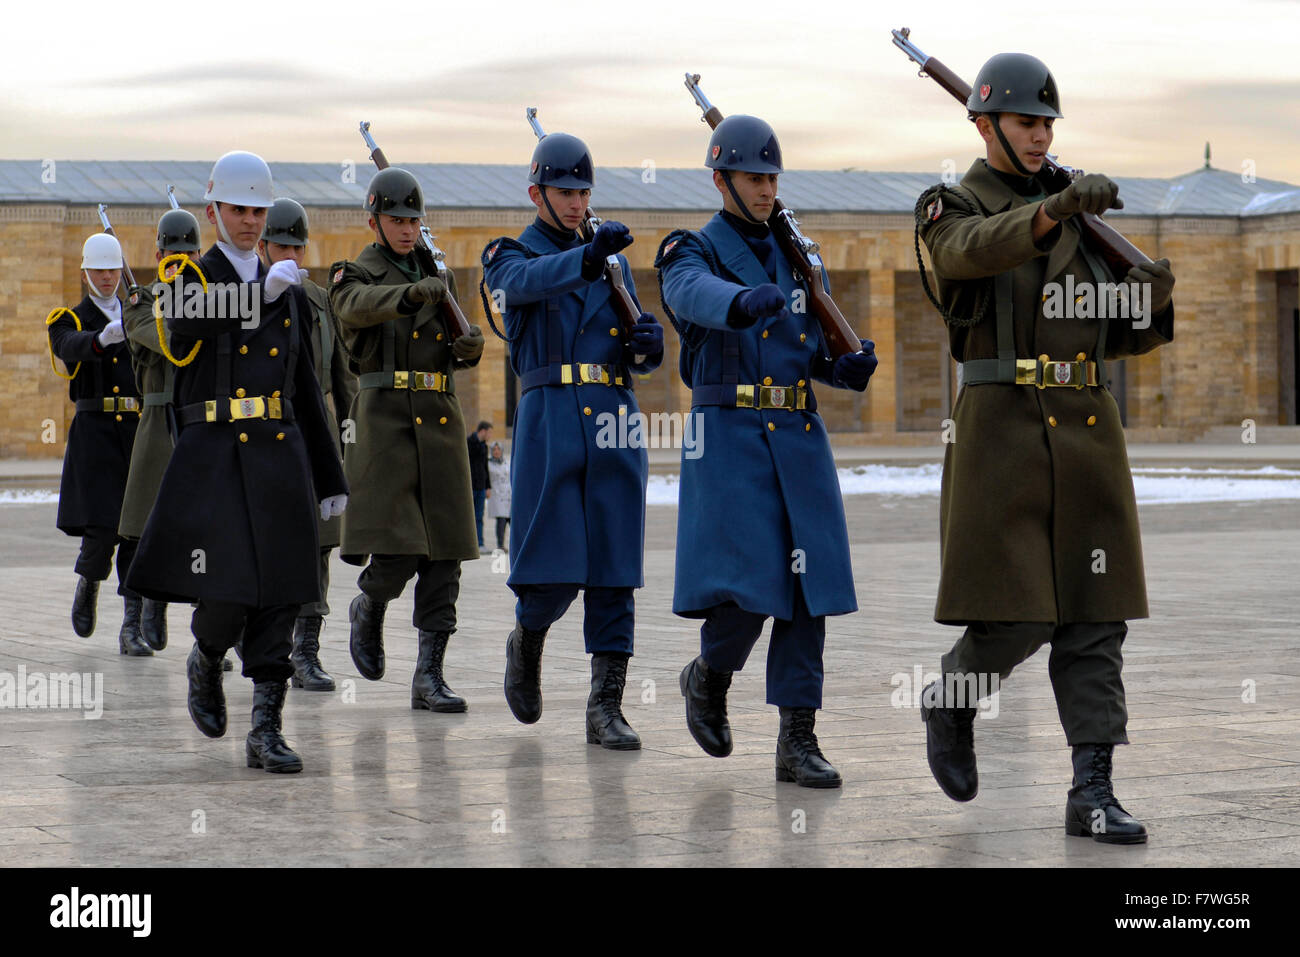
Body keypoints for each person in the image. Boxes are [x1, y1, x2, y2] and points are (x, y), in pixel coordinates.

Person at [914, 53, 1176, 843]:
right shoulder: (949, 204)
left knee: (1096, 616)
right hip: (1003, 432)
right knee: (1015, 611)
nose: (1040, 135)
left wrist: (1148, 291)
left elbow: (1122, 332)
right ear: (986, 122)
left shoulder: (1082, 222)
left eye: (1048, 123)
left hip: (1087, 427)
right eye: (1027, 121)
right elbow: (969, 252)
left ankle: (1092, 789)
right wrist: (1055, 210)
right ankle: (951, 697)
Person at [655, 114, 877, 786]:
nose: (765, 188)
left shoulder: (799, 255)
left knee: (809, 593)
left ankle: (797, 739)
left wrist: (845, 367)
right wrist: (739, 301)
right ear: (720, 178)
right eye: (754, 177)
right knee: (749, 586)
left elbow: (810, 348)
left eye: (773, 177)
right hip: (732, 437)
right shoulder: (692, 247)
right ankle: (709, 673)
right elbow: (688, 293)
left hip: (798, 435)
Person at [127, 150, 349, 774]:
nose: (251, 221)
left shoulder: (292, 293)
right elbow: (181, 332)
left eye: (257, 210)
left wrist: (330, 476)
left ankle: (266, 729)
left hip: (279, 452)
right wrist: (258, 297)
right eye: (238, 210)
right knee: (226, 589)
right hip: (216, 454)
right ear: (213, 211)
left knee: (281, 592)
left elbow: (307, 388)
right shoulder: (189, 278)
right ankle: (205, 656)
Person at [481, 127, 664, 749]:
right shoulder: (509, 253)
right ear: (537, 193)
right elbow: (520, 289)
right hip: (552, 416)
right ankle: (527, 638)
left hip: (613, 415)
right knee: (552, 567)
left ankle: (605, 706)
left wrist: (646, 348)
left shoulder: (610, 260)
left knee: (615, 567)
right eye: (563, 191)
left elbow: (633, 333)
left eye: (583, 191)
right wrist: (586, 259)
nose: (576, 203)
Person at [329, 167, 485, 714]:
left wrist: (469, 346)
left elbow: (454, 339)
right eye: (397, 219)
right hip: (386, 418)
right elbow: (353, 309)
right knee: (400, 544)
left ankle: (429, 676)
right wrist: (409, 293)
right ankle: (369, 604)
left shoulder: (435, 271)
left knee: (446, 552)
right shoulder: (356, 272)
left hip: (439, 417)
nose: (406, 229)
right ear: (374, 221)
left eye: (414, 220)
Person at [258, 197, 358, 692]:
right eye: (282, 246)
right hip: (260, 432)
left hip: (311, 435)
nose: (291, 256)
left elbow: (342, 378)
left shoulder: (319, 300)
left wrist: (351, 438)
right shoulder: (243, 295)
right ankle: (246, 639)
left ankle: (307, 651)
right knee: (260, 540)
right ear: (263, 245)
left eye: (298, 247)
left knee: (318, 545)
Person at [47, 232, 148, 655]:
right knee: (104, 527)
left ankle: (132, 626)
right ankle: (89, 582)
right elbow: (66, 347)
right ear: (86, 272)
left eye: (112, 269)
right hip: (95, 432)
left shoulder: (138, 312)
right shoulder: (68, 317)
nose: (107, 277)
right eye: (99, 270)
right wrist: (100, 339)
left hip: (136, 431)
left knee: (136, 529)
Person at [117, 207, 204, 655]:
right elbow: (163, 338)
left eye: (190, 253)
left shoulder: (212, 299)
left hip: (197, 421)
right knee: (139, 527)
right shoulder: (139, 303)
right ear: (159, 254)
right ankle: (133, 619)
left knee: (206, 529)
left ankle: (209, 638)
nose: (181, 260)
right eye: (174, 253)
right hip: (156, 423)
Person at [467, 421, 492, 552]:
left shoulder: (484, 446)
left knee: (479, 516)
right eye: (489, 432)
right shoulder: (469, 442)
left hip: (481, 486)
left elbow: (485, 467)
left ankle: (480, 543)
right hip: (469, 485)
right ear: (482, 431)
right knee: (468, 516)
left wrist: (488, 486)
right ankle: (468, 543)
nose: (490, 435)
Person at [486, 441, 511, 552]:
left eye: (498, 449)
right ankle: (500, 545)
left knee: (511, 520)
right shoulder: (488, 464)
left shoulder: (507, 462)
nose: (496, 451)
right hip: (497, 495)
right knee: (501, 521)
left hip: (508, 495)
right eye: (494, 449)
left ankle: (517, 543)